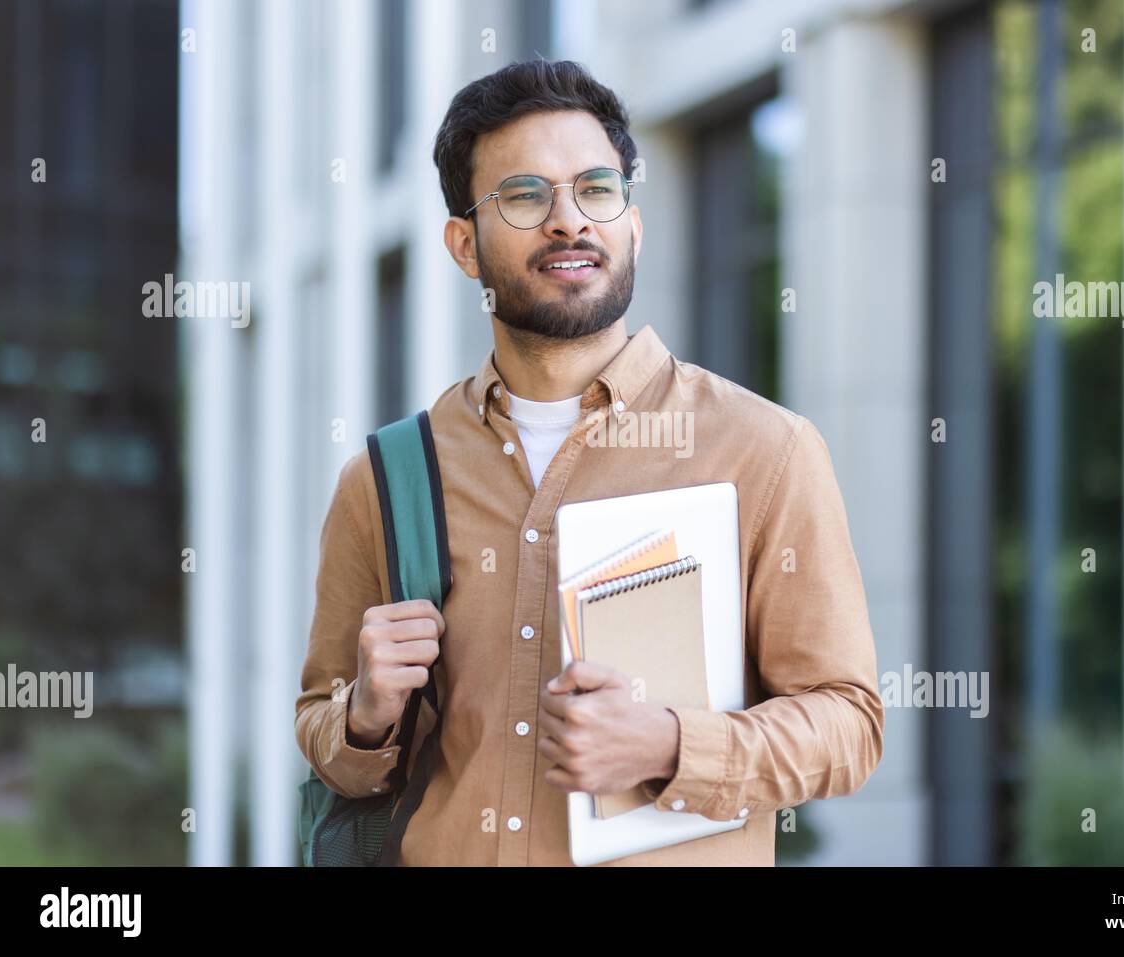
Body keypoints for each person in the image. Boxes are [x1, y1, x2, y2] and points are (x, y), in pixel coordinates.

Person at [295, 59, 884, 866]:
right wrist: (364, 712)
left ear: (632, 223)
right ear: (465, 244)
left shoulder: (764, 450)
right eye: (526, 196)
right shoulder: (387, 478)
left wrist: (674, 745)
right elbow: (322, 729)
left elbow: (849, 725)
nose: (569, 221)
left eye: (596, 189)